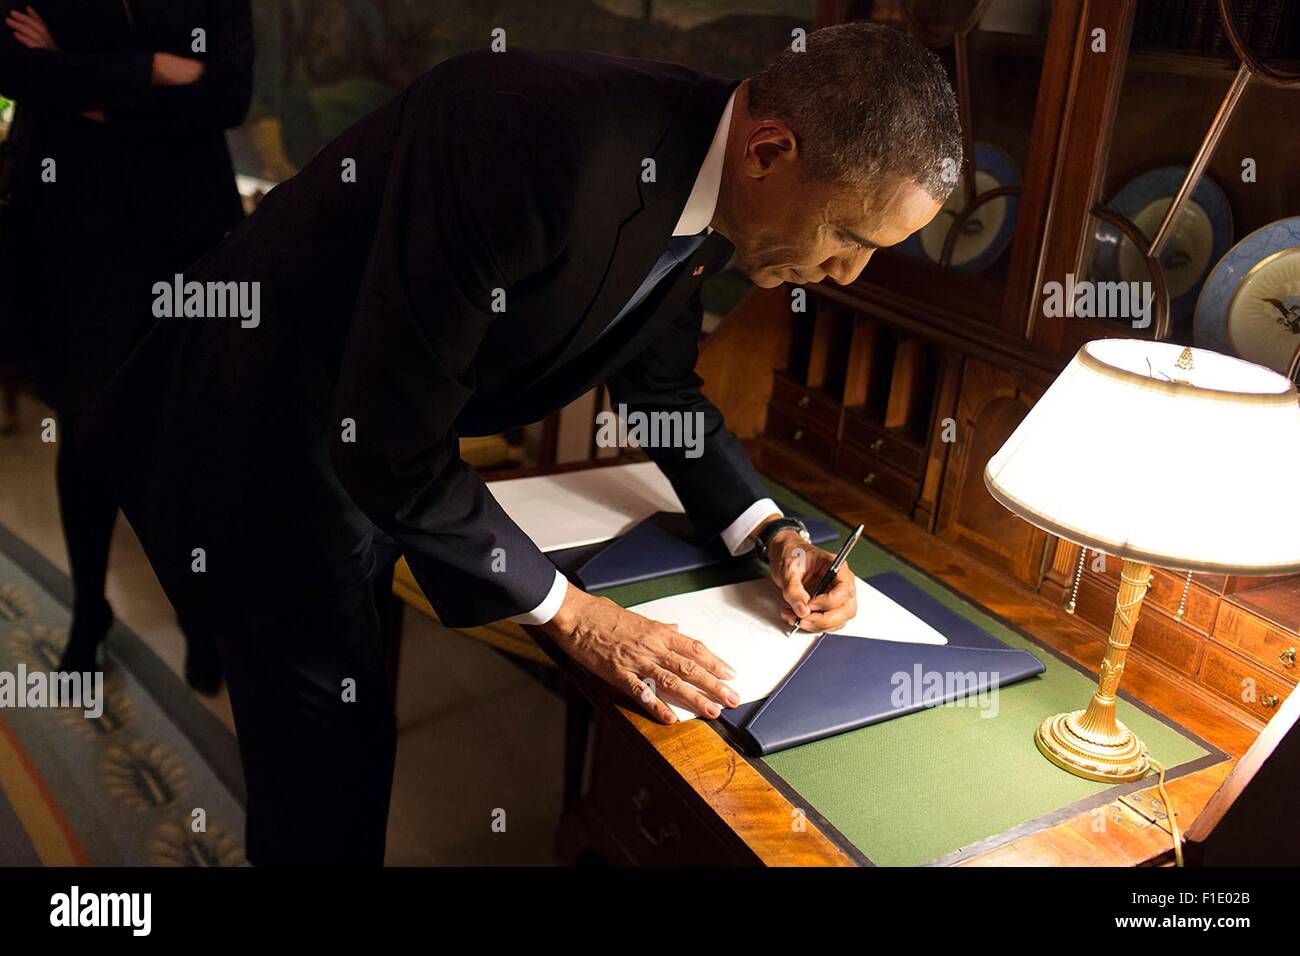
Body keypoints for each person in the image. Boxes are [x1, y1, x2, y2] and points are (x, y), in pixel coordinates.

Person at [81, 23, 962, 864]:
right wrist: (577, 616)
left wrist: (771, 533)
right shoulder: (530, 143)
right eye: (849, 237)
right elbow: (390, 438)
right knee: (326, 750)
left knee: (340, 733)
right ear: (770, 152)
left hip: (379, 417)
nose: (850, 274)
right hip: (264, 418)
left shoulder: (716, 177)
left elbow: (659, 388)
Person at [0, 0, 253, 691]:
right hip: (76, 240)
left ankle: (202, 618)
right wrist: (157, 69)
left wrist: (89, 85)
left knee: (190, 440)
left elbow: (229, 95)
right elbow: (19, 70)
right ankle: (88, 612)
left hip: (191, 234)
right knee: (85, 434)